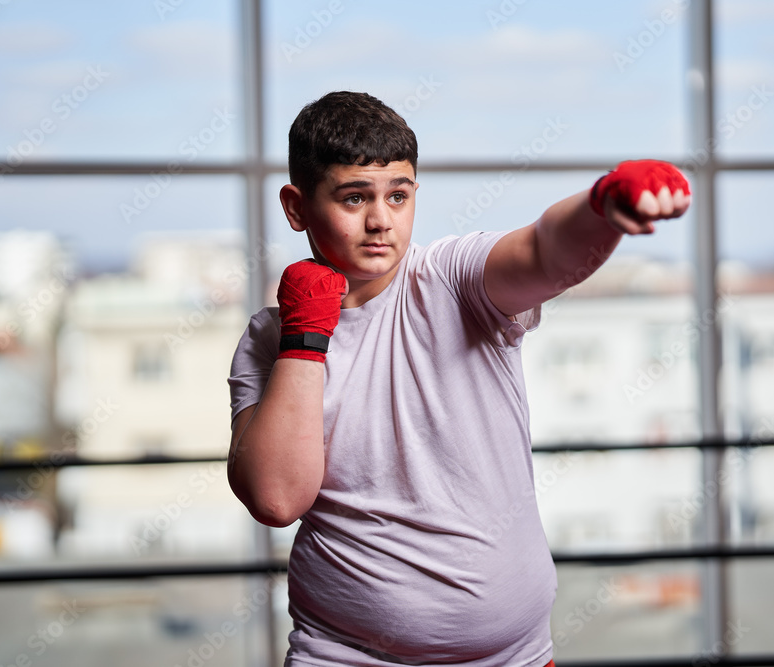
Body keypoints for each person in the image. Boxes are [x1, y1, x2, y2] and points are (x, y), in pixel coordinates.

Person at [226, 91, 690, 666]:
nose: (381, 220)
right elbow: (276, 498)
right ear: (296, 208)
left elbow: (542, 250)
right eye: (354, 198)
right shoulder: (269, 337)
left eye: (398, 195)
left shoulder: (452, 279)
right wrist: (305, 339)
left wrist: (601, 205)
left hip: (512, 657)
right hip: (343, 655)